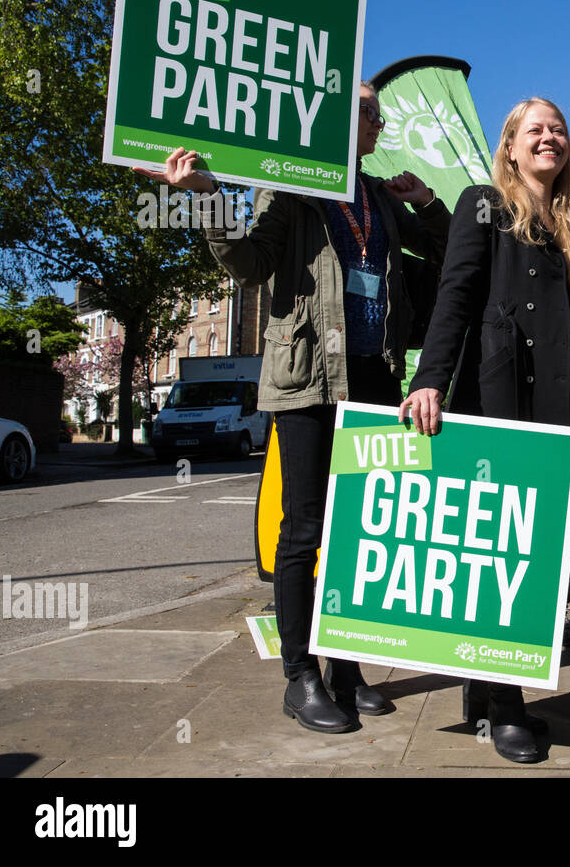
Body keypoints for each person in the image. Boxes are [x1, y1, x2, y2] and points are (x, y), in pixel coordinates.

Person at [138, 83, 450, 733]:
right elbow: (250, 266)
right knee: (305, 530)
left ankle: (346, 669)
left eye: (379, 113)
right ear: (339, 120)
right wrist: (208, 197)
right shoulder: (290, 190)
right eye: (370, 111)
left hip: (375, 379)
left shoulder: (378, 201)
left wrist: (427, 202)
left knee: (358, 534)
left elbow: (446, 256)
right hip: (309, 379)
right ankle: (300, 675)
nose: (379, 121)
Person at [400, 97, 570, 764]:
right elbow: (454, 295)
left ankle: (485, 692)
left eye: (559, 130)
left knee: (543, 556)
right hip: (497, 402)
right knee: (501, 558)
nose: (550, 137)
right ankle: (507, 705)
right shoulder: (482, 204)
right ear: (510, 147)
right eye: (534, 130)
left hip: (559, 417)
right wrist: (428, 380)